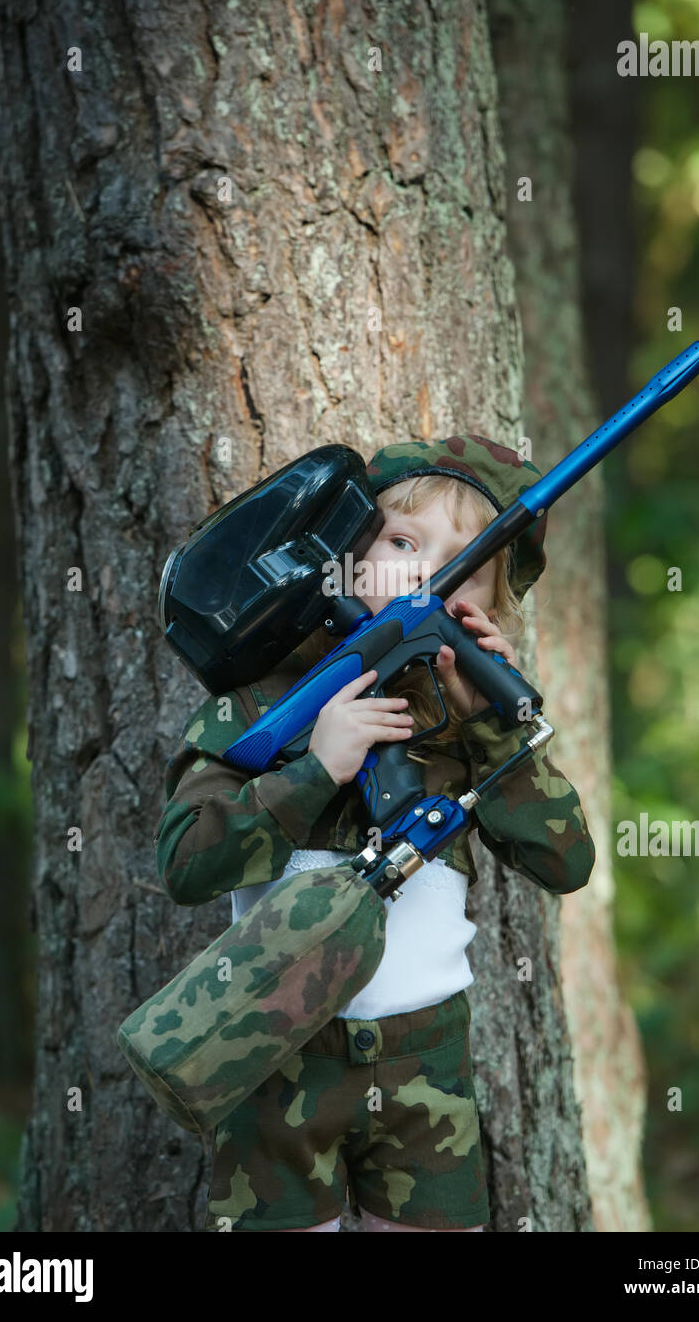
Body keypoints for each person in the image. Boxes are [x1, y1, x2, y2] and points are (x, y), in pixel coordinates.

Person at [154, 433, 596, 1232]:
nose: (424, 569)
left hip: (425, 1061)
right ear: (343, 559)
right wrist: (313, 768)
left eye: (463, 559)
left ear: (484, 606)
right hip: (274, 1056)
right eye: (401, 541)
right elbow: (187, 862)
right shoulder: (260, 706)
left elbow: (564, 862)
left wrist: (493, 727)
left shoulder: (472, 727)